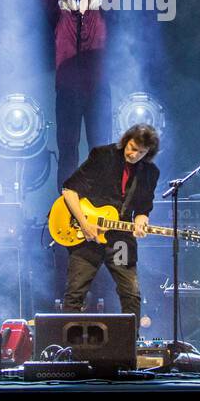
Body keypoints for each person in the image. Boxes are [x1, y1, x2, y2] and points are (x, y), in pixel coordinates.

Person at [59, 124, 160, 320]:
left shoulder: (149, 172)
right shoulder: (102, 155)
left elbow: (143, 208)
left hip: (120, 240)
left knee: (131, 293)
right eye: (131, 147)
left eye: (141, 152)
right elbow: (69, 189)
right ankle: (68, 348)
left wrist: (141, 222)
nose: (133, 154)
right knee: (75, 293)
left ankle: (129, 346)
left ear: (148, 152)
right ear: (126, 141)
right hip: (87, 236)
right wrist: (84, 223)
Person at [44, 0, 112, 190]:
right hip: (68, 91)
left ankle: (102, 201)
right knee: (68, 149)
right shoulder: (60, 17)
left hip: (97, 90)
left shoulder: (100, 13)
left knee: (101, 148)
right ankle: (66, 206)